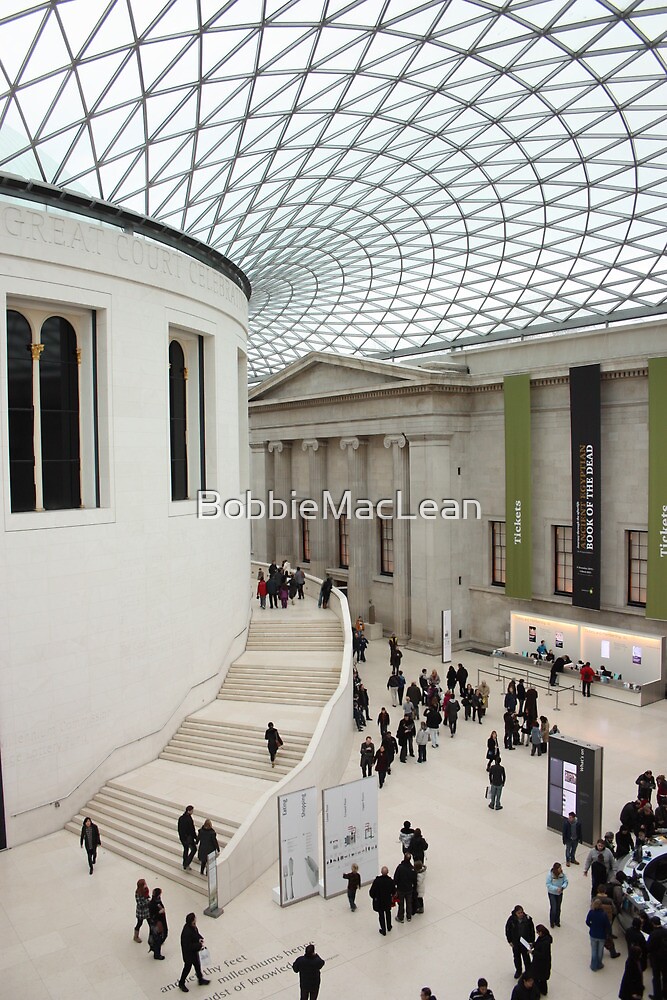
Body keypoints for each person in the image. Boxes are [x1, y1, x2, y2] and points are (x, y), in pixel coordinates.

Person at [178, 912, 210, 992]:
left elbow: (196, 934)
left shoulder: (193, 927)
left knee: (197, 965)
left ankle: (200, 979)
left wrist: (200, 938)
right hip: (188, 954)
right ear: (192, 921)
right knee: (187, 968)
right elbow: (188, 946)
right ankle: (181, 983)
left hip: (194, 952)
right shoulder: (187, 932)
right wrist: (199, 945)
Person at [505, 904, 535, 978]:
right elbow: (507, 930)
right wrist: (510, 941)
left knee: (526, 958)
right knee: (516, 957)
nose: (521, 914)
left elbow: (532, 930)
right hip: (516, 943)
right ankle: (518, 970)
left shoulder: (528, 919)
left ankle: (528, 971)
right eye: (519, 913)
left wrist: (531, 941)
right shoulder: (511, 920)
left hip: (525, 942)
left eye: (521, 912)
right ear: (515, 913)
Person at [586, 897, 612, 971]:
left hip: (593, 934)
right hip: (601, 935)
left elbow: (587, 922)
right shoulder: (604, 915)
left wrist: (591, 926)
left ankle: (593, 966)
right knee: (600, 951)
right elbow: (608, 925)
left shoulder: (591, 912)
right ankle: (599, 964)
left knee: (594, 950)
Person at [369, 865, 396, 935]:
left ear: (381, 872)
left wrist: (374, 897)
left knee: (381, 915)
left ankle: (383, 930)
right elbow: (394, 891)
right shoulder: (390, 881)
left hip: (379, 901)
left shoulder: (377, 881)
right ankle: (389, 926)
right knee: (388, 913)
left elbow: (371, 892)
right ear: (388, 872)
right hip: (387, 901)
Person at [647, 914, 667, 1000]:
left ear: (653, 924)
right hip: (665, 958)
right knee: (665, 977)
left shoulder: (653, 934)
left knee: (656, 978)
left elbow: (649, 947)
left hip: (656, 959)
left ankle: (657, 996)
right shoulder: (665, 931)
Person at [394, 853, 416, 923]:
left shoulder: (400, 868)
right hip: (409, 889)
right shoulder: (412, 868)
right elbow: (414, 879)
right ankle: (409, 916)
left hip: (401, 889)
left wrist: (395, 886)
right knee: (409, 902)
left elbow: (396, 878)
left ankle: (400, 917)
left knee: (401, 903)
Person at [530, 924, 552, 996]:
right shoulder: (543, 938)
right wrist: (533, 944)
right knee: (542, 979)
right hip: (542, 963)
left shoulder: (545, 942)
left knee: (538, 978)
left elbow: (542, 955)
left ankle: (538, 992)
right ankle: (543, 991)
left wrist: (533, 952)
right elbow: (538, 943)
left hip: (541, 964)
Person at [546, 862, 568, 927]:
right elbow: (548, 884)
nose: (561, 869)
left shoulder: (562, 874)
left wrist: (563, 887)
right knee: (554, 908)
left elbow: (566, 881)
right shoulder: (550, 875)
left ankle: (557, 921)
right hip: (552, 893)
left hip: (559, 893)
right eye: (559, 868)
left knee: (558, 908)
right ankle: (552, 921)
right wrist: (556, 889)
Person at [148, 887, 167, 960]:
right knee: (158, 937)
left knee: (162, 935)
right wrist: (159, 912)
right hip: (158, 923)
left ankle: (156, 947)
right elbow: (152, 915)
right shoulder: (152, 904)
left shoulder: (157, 900)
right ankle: (157, 953)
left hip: (161, 921)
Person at [178, 805, 198, 870]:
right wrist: (196, 837)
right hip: (188, 838)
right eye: (192, 810)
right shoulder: (189, 819)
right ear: (189, 811)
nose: (193, 812)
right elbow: (192, 830)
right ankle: (186, 863)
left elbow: (179, 829)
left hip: (182, 838)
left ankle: (185, 863)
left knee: (186, 850)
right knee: (194, 850)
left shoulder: (181, 818)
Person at [134, 878, 150, 943]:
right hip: (141, 912)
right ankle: (135, 936)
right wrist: (148, 902)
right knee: (139, 923)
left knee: (151, 924)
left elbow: (147, 896)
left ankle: (154, 937)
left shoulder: (145, 890)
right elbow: (140, 904)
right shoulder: (137, 893)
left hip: (147, 911)